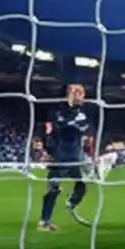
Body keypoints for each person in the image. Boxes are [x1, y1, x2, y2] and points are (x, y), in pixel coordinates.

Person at [36, 84, 92, 232]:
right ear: (68, 95)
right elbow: (53, 131)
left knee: (83, 185)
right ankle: (44, 222)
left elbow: (81, 128)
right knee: (53, 189)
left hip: (76, 156)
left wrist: (69, 126)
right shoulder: (57, 113)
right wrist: (47, 150)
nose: (80, 96)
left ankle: (72, 203)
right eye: (76, 93)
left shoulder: (83, 114)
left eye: (82, 93)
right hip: (60, 156)